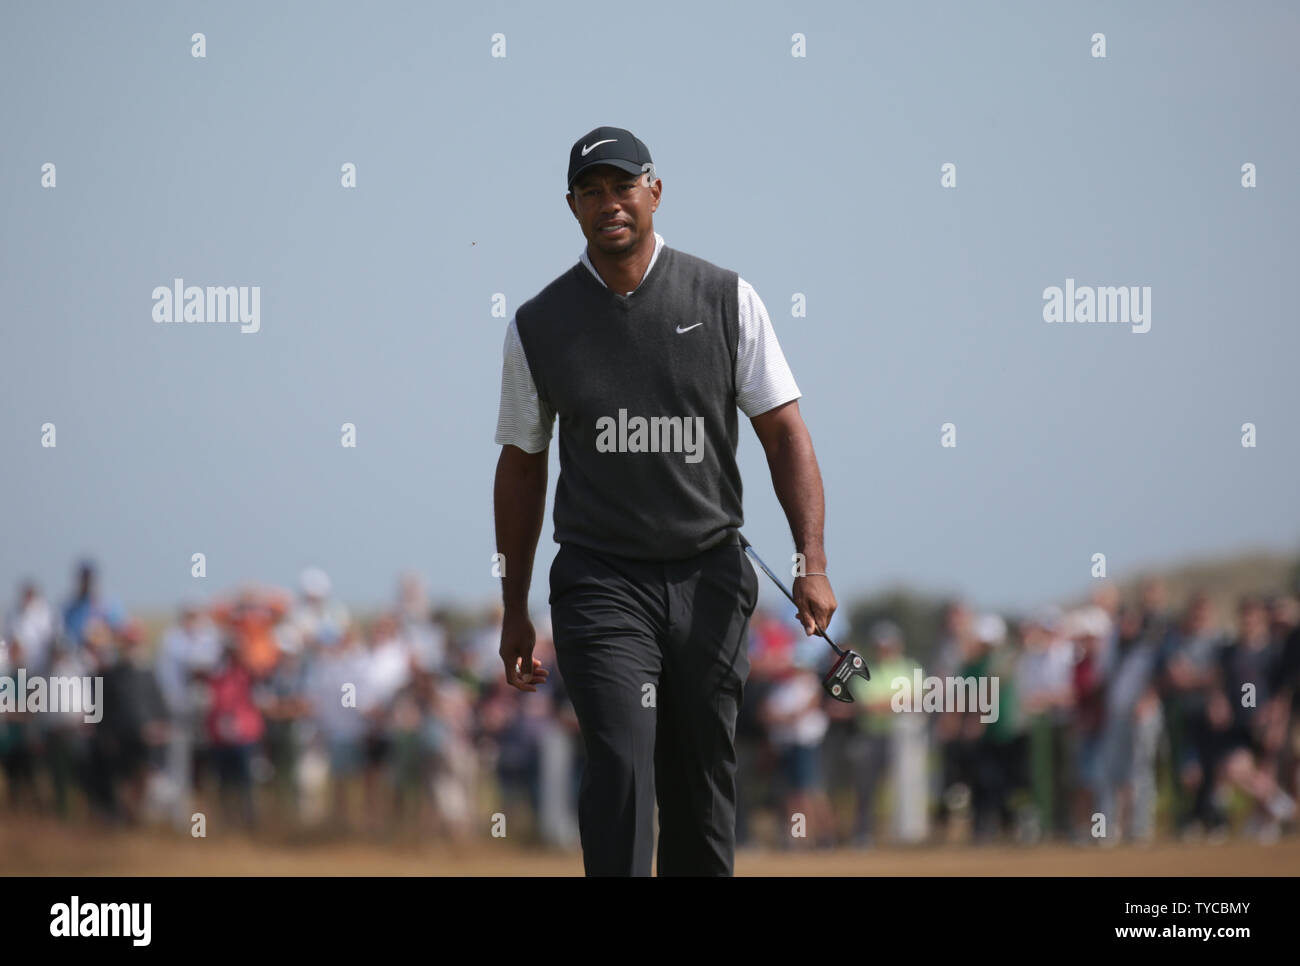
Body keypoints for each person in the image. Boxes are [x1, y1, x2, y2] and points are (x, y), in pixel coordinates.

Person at [493, 126, 833, 876]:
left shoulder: (725, 297)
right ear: (573, 207)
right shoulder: (538, 324)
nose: (609, 203)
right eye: (592, 192)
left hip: (709, 576)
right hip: (600, 580)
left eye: (623, 187)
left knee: (699, 778)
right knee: (620, 761)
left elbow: (785, 433)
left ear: (655, 191)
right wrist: (514, 607)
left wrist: (811, 560)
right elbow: (521, 468)